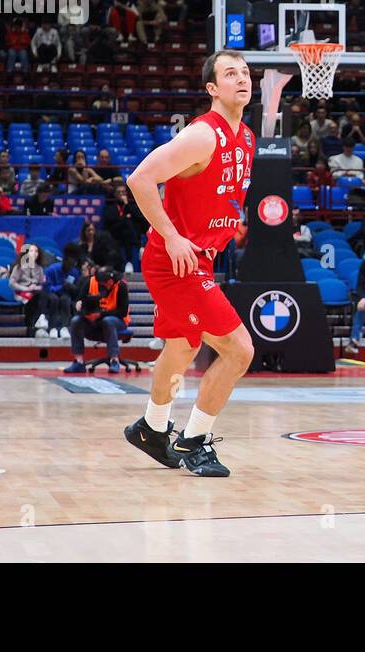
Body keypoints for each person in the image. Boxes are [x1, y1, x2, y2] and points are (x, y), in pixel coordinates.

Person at [123, 49, 257, 477]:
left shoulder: (248, 137)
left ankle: (152, 428)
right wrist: (173, 235)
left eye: (246, 72)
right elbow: (139, 179)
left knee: (183, 346)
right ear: (212, 89)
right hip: (176, 261)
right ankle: (195, 441)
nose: (242, 79)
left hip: (199, 257)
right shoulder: (202, 136)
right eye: (230, 73)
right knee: (239, 349)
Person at [64, 267, 131, 374]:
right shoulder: (90, 282)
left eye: (110, 282)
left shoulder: (121, 286)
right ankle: (79, 362)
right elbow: (79, 300)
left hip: (118, 321)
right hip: (93, 321)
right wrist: (79, 306)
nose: (108, 284)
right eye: (105, 283)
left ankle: (114, 360)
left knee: (108, 321)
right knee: (75, 321)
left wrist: (100, 315)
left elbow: (122, 312)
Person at [9, 244, 48, 333]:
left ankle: (40, 319)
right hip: (22, 293)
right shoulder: (19, 267)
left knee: (43, 295)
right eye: (31, 251)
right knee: (33, 300)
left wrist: (37, 287)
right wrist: (26, 288)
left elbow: (43, 283)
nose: (34, 254)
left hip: (35, 292)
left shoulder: (39, 268)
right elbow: (12, 283)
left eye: (36, 251)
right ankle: (32, 326)